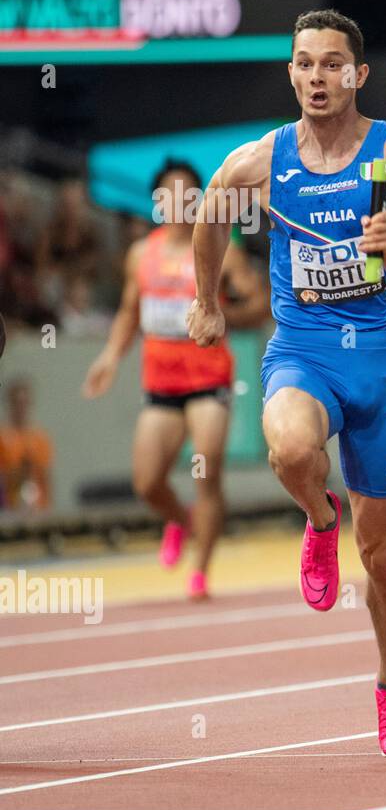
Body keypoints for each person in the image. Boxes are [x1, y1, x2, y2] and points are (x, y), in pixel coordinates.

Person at [188, 9, 386, 757]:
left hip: (380, 365)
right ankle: (317, 518)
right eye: (304, 63)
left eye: (333, 64)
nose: (317, 77)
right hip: (303, 349)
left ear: (357, 75)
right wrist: (205, 302)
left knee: (383, 552)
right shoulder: (262, 161)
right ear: (290, 72)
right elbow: (207, 215)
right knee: (291, 451)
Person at [83, 160, 269, 600]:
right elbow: (131, 312)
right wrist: (110, 356)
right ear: (156, 202)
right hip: (162, 385)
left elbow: (261, 304)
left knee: (207, 473)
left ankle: (200, 573)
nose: (179, 203)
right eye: (169, 194)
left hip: (209, 380)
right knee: (147, 482)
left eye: (189, 194)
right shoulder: (140, 255)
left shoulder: (222, 250)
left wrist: (224, 315)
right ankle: (180, 521)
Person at [0, 377, 52, 510]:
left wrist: (48, 507)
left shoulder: (40, 438)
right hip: (8, 506)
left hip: (37, 506)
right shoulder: (3, 437)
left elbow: (46, 477)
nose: (21, 408)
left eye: (24, 403)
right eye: (17, 403)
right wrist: (18, 472)